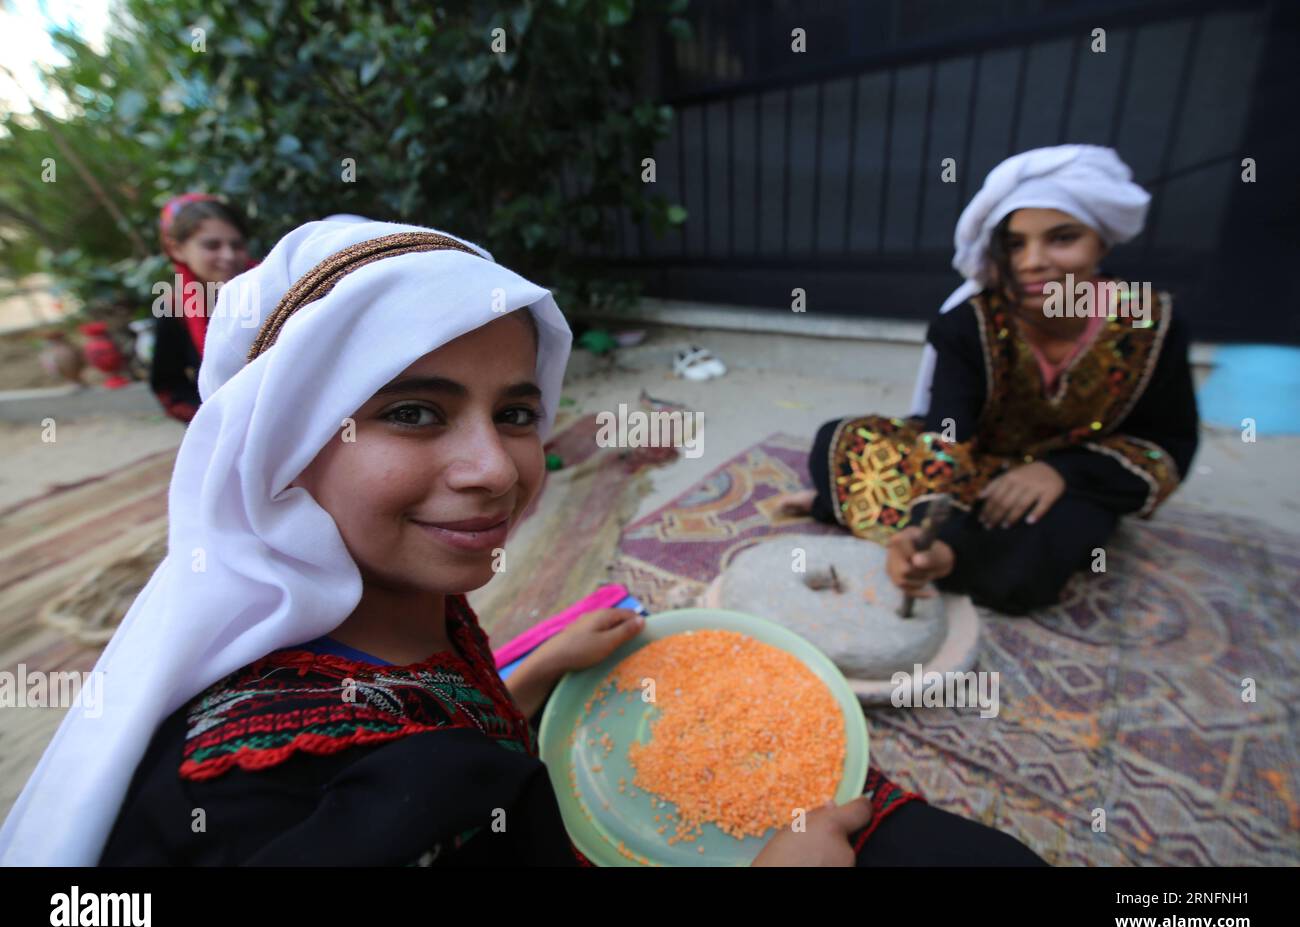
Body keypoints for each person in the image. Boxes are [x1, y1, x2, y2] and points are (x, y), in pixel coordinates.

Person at [0, 220, 1043, 867]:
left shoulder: (377, 603)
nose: (497, 468)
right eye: (414, 412)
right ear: (286, 447)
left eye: (513, 411)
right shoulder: (250, 793)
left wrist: (530, 666)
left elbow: (421, 713)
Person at [778, 145, 1199, 615]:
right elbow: (948, 435)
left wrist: (1060, 472)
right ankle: (943, 549)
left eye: (1062, 238)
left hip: (1070, 484)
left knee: (1046, 552)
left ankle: (919, 539)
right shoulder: (967, 326)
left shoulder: (1150, 323)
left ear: (1101, 242)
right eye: (1014, 244)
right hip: (976, 464)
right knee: (839, 441)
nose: (1033, 262)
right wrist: (926, 528)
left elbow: (1167, 444)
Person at [148, 193, 255, 423]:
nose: (228, 256)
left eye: (236, 245)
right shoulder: (175, 307)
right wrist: (213, 422)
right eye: (212, 245)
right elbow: (168, 386)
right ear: (176, 249)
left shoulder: (270, 291)